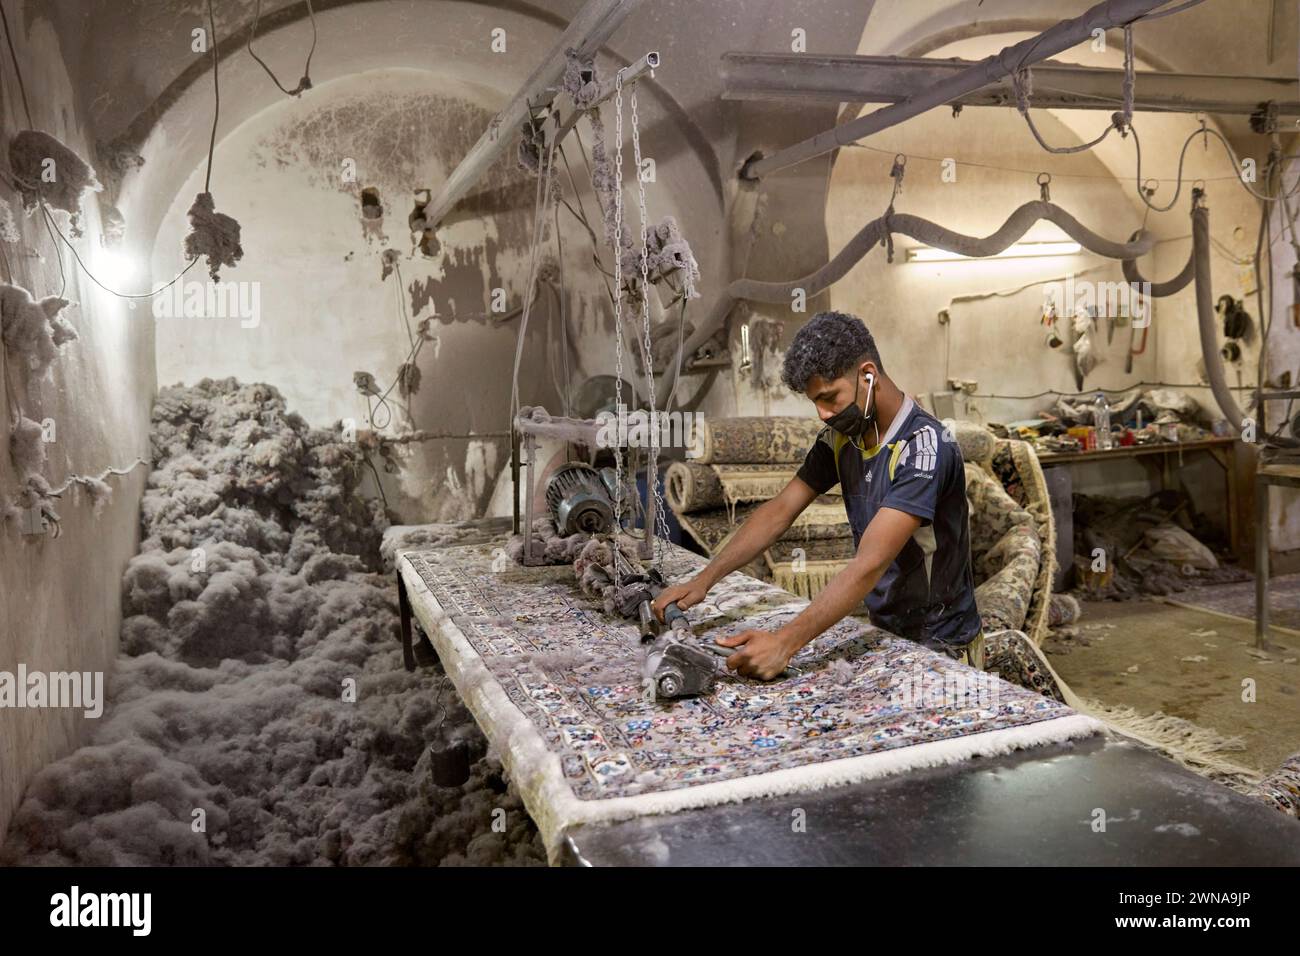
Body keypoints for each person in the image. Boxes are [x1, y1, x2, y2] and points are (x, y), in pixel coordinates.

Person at [653, 310, 983, 679]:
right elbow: (779, 511)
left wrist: (784, 643)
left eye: (829, 397)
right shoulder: (841, 439)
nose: (823, 414)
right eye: (815, 402)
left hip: (941, 643)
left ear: (868, 375)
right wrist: (703, 579)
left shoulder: (925, 446)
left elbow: (869, 562)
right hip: (885, 631)